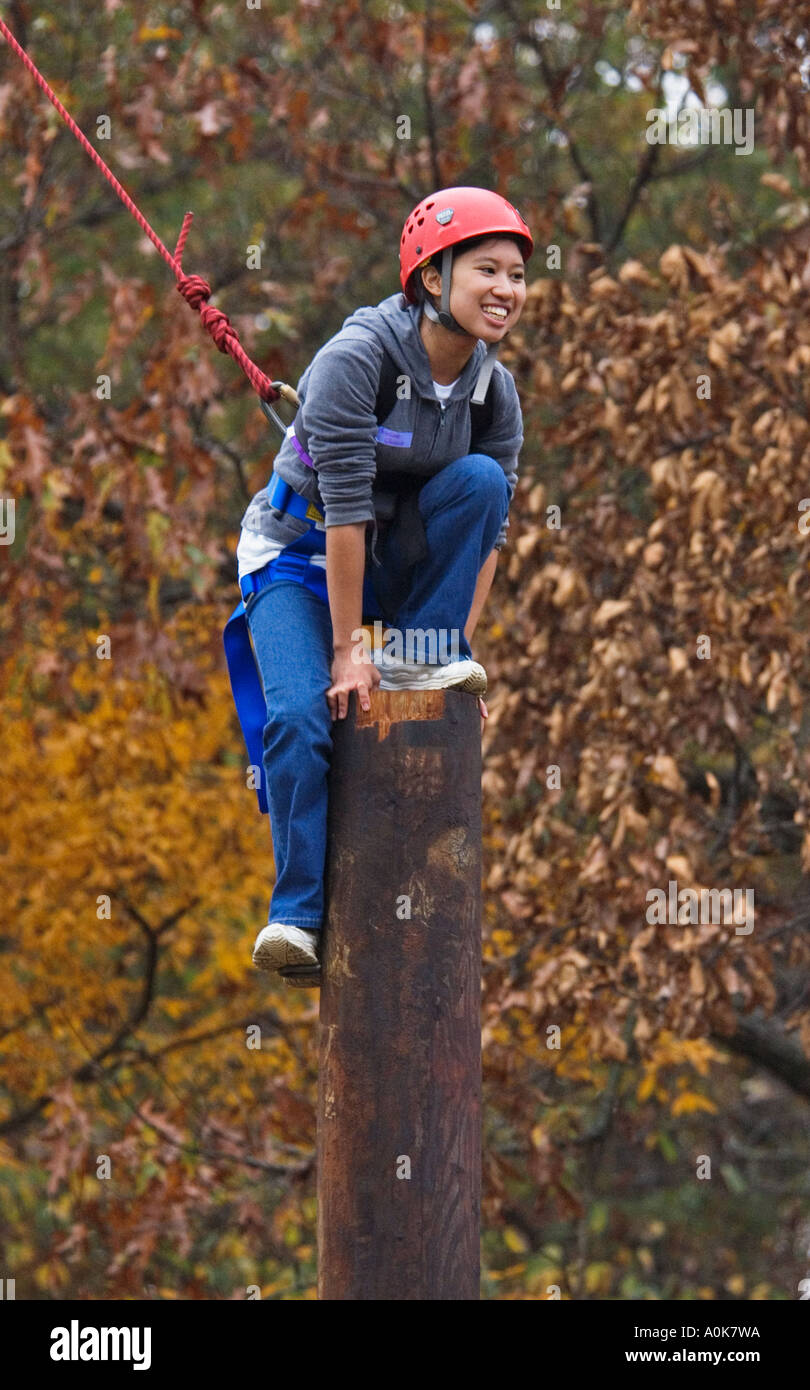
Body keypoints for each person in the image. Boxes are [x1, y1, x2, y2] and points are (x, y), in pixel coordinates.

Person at [231, 186, 533, 984]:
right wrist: (346, 654)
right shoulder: (357, 358)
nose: (507, 289)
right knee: (302, 717)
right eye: (486, 270)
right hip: (301, 560)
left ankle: (418, 655)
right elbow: (344, 516)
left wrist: (448, 652)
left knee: (479, 482)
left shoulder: (492, 392)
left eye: (518, 274)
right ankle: (297, 916)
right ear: (432, 279)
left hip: (386, 565)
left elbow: (486, 533)